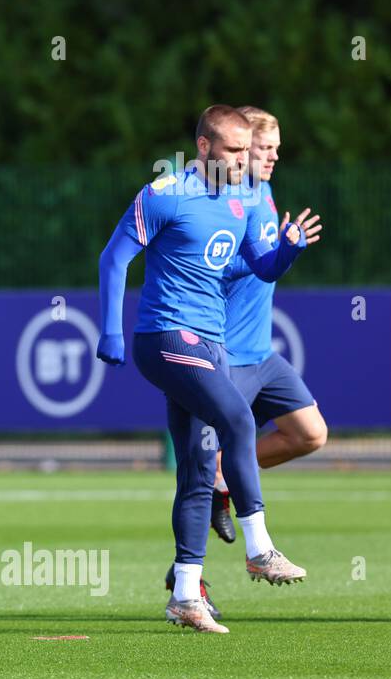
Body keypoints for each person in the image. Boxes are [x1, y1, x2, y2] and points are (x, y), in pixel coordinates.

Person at [96, 104, 321, 633]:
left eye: (248, 151)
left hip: (212, 344)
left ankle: (185, 594)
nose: (243, 161)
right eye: (233, 151)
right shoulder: (166, 193)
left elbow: (259, 266)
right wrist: (110, 329)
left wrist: (287, 251)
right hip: (167, 337)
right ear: (203, 148)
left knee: (198, 471)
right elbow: (114, 258)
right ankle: (260, 548)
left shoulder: (243, 202)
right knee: (239, 421)